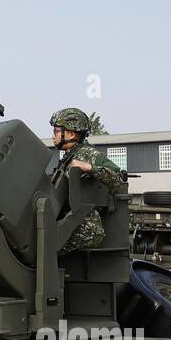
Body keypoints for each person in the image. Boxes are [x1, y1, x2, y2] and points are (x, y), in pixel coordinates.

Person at [50, 107, 124, 253]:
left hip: (84, 225)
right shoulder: (68, 156)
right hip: (68, 219)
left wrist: (88, 167)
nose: (53, 136)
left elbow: (117, 178)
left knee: (43, 250)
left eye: (56, 131)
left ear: (71, 134)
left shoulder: (87, 153)